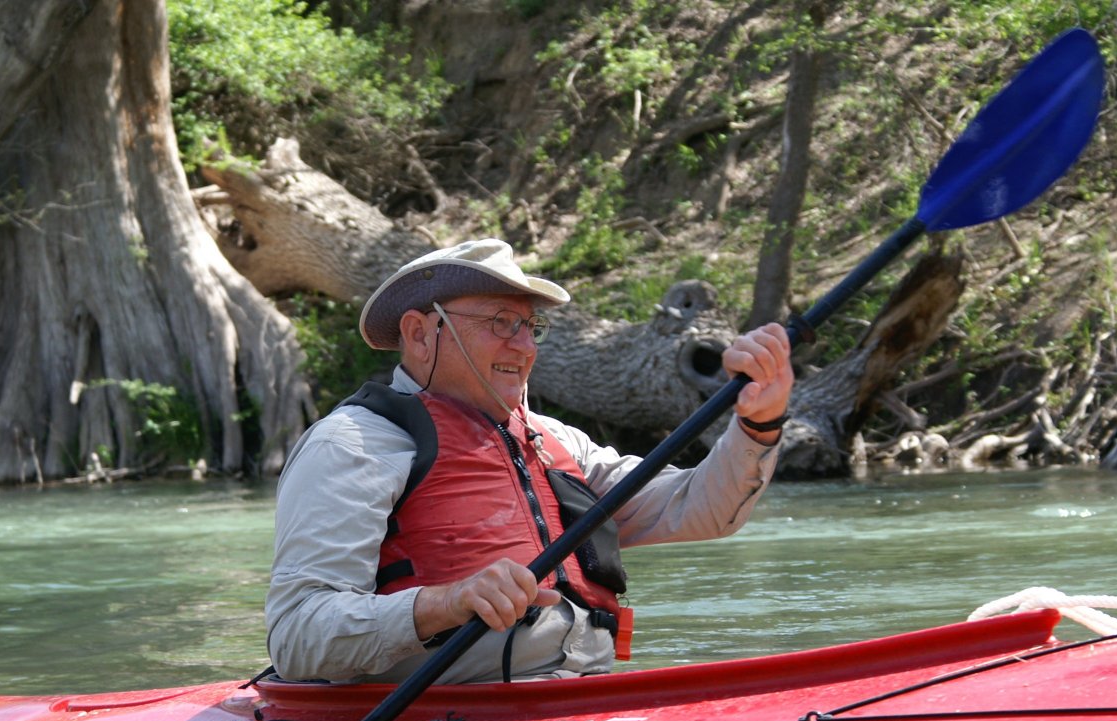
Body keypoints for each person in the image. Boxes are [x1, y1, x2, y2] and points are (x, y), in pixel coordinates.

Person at [266, 238, 793, 684]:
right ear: (420, 334)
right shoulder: (354, 445)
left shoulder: (554, 440)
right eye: (500, 322)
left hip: (582, 697)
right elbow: (296, 634)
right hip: (441, 720)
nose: (524, 347)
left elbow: (701, 508)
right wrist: (445, 603)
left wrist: (757, 425)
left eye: (530, 326)